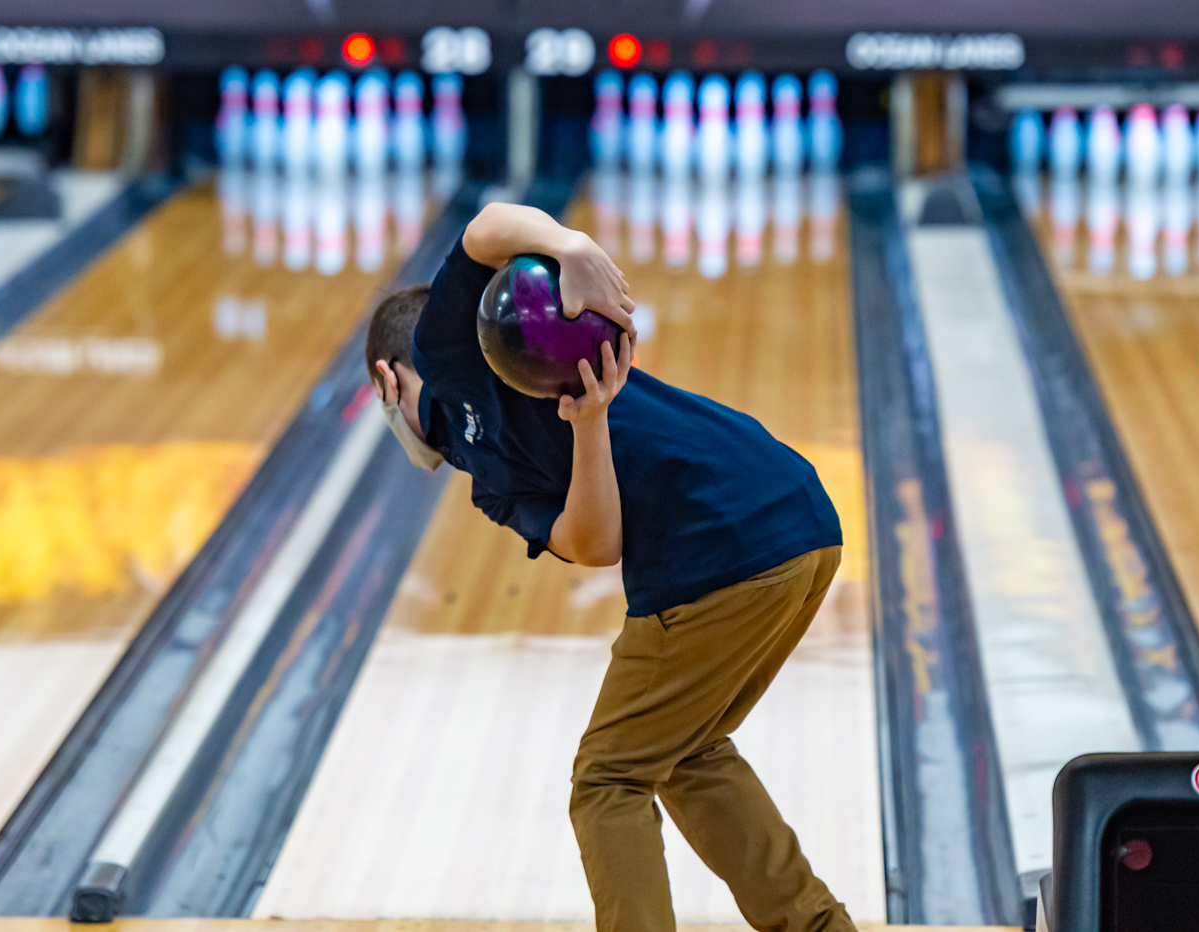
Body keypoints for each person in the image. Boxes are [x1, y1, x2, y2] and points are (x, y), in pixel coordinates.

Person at [365, 202, 851, 932]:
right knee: (685, 751)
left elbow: (487, 226)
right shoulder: (492, 486)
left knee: (608, 780)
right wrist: (587, 426)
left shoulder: (444, 348)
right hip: (787, 522)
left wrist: (569, 245)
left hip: (722, 539)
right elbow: (595, 544)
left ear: (386, 380)